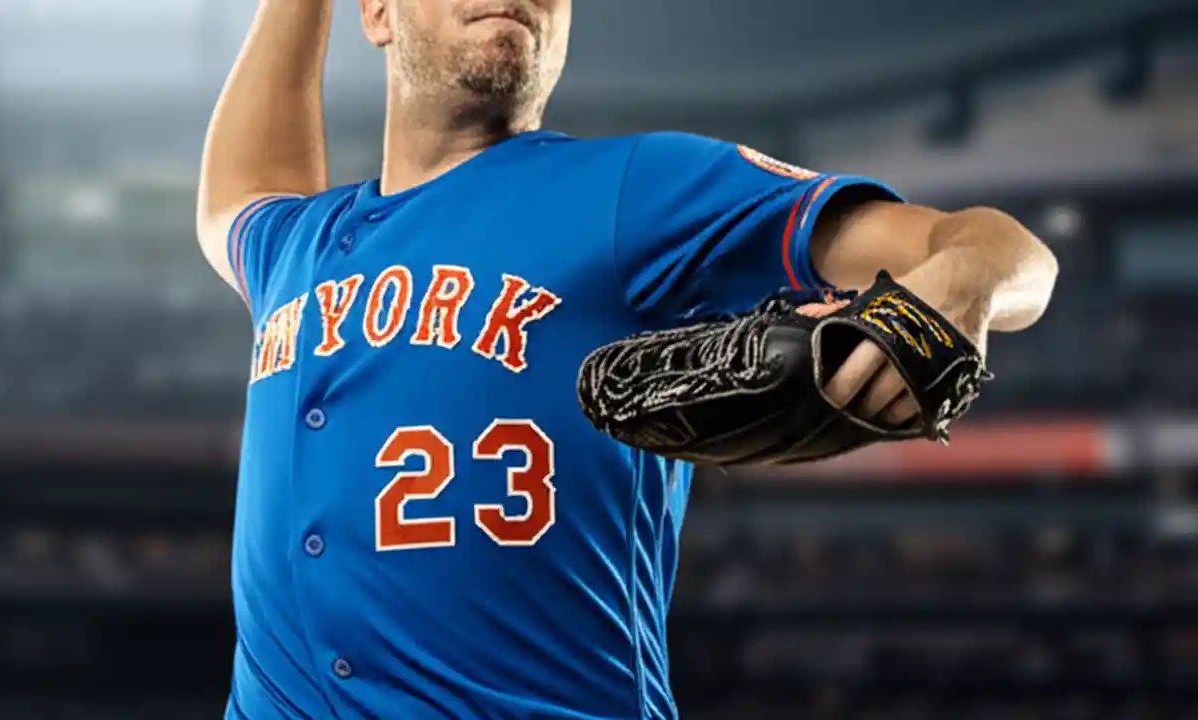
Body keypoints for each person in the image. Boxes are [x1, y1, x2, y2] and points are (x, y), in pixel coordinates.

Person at [195, 1, 1059, 718]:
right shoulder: (298, 248)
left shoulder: (634, 187)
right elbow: (238, 193)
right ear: (377, 13)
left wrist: (960, 287)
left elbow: (998, 250)